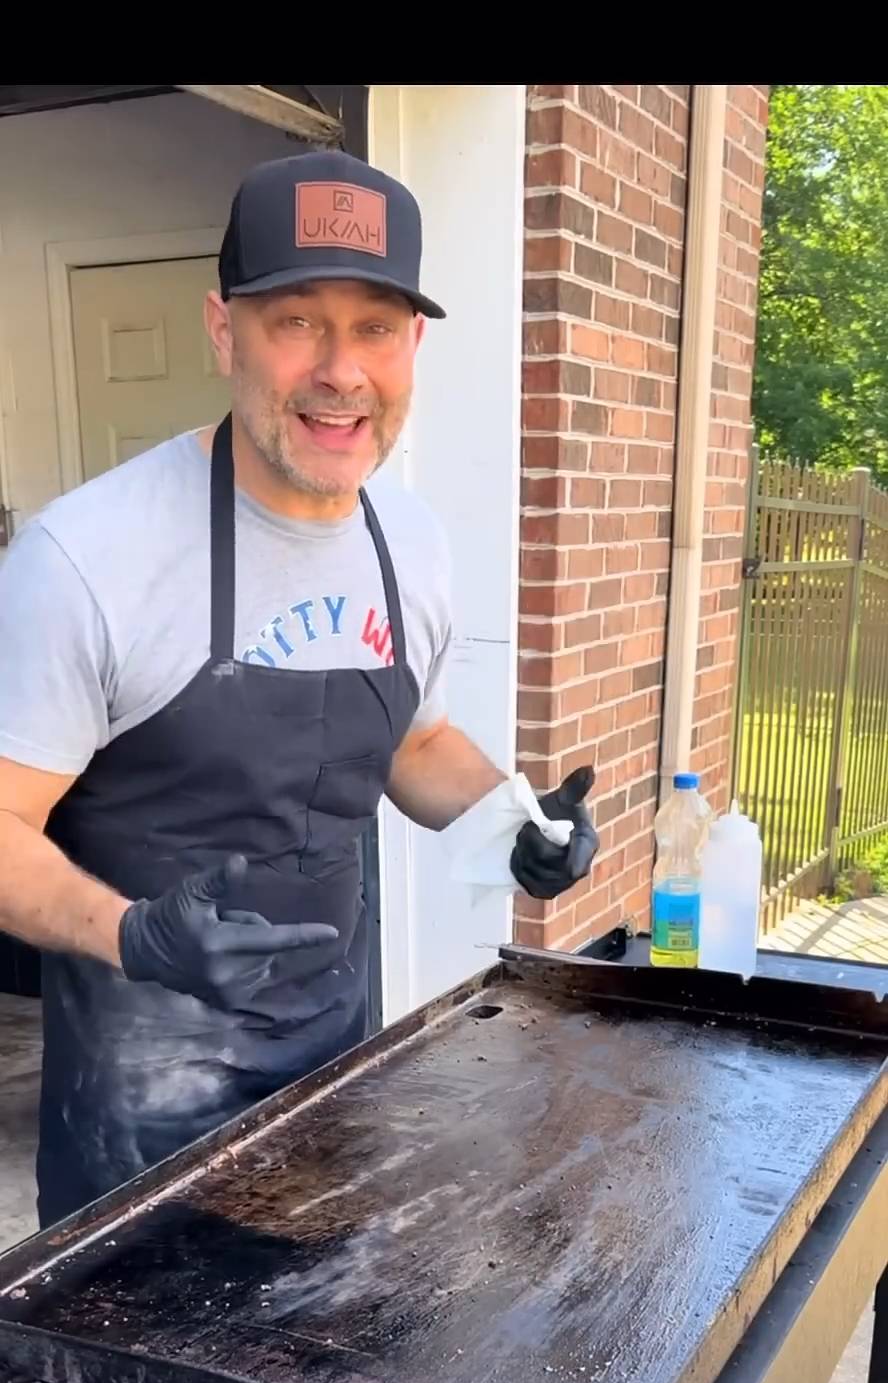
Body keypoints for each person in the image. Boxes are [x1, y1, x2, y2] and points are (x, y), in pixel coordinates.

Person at [0, 150, 597, 1230]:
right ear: (223, 330)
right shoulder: (87, 557)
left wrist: (516, 820)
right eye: (297, 322)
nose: (341, 370)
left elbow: (413, 744)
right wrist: (132, 934)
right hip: (138, 1131)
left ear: (413, 345)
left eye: (375, 327)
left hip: (335, 1095)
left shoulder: (408, 541)